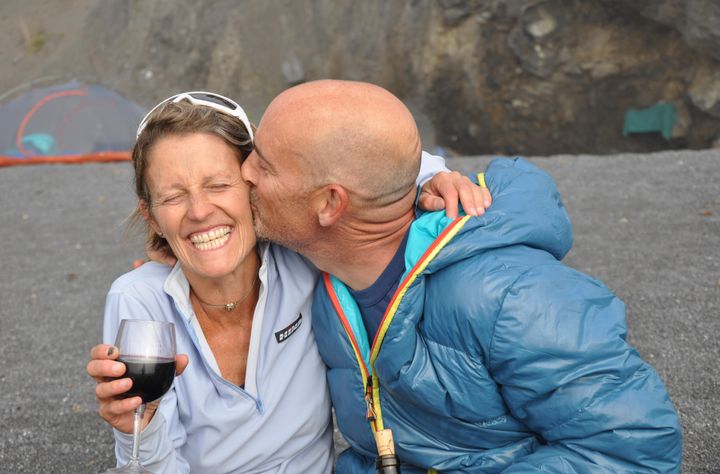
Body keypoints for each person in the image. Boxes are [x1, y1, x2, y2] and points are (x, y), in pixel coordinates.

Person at [239, 80, 683, 473]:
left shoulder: (511, 296)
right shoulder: (321, 270)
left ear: (330, 205)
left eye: (264, 164)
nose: (243, 173)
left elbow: (633, 448)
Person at [85, 91, 491, 473]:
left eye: (219, 185)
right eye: (173, 196)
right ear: (152, 215)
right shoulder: (139, 299)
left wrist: (433, 178)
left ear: (254, 186)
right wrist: (139, 427)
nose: (199, 211)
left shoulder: (303, 259)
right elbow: (151, 461)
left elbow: (363, 160)